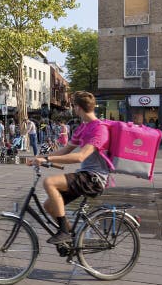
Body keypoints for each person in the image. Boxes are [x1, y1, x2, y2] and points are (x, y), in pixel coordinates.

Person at [26, 91, 110, 244]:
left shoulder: (100, 129)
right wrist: (40, 158)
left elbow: (80, 156)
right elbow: (65, 150)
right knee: (49, 206)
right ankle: (71, 237)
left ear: (77, 108)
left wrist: (47, 158)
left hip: (94, 178)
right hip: (84, 175)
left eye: (73, 107)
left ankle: (64, 231)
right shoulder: (83, 128)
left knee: (49, 182)